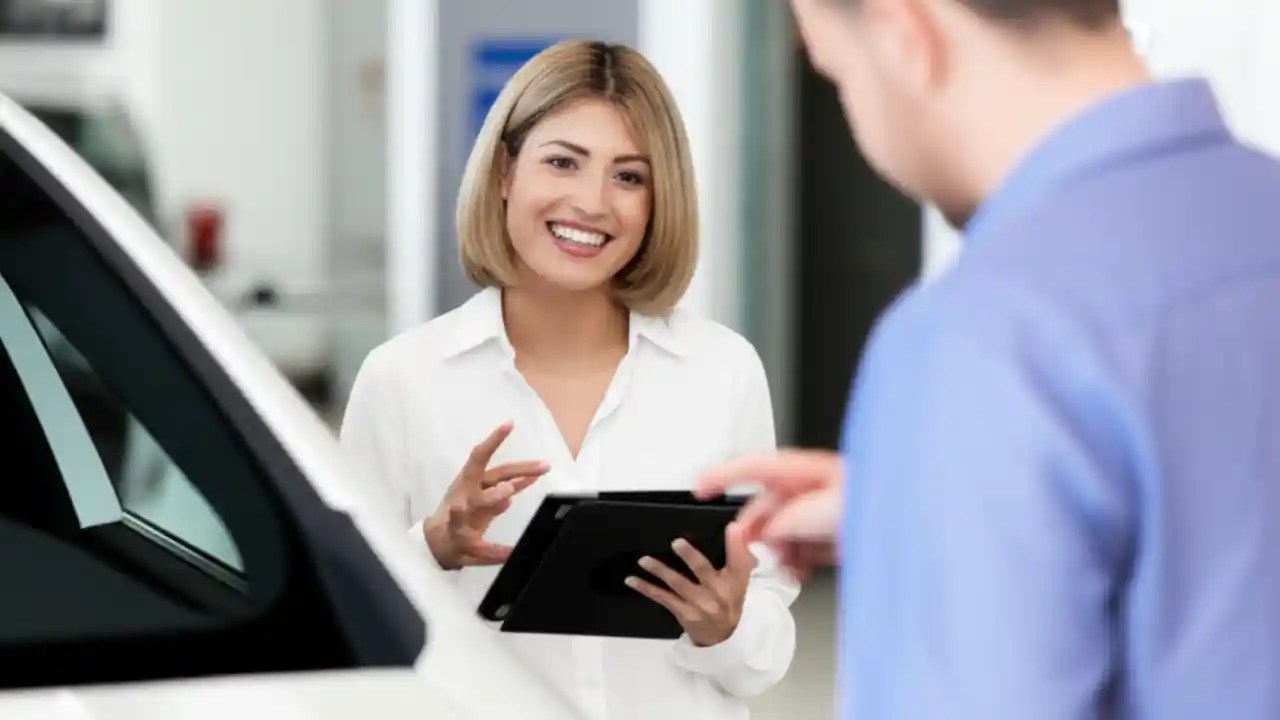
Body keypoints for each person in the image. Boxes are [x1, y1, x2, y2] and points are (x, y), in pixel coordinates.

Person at [698, 0, 1280, 718]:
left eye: (839, 75)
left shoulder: (982, 336)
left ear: (906, 32)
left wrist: (957, 484)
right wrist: (984, 505)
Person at [340, 40, 797, 720]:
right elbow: (346, 628)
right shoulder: (403, 379)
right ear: (504, 173)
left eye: (630, 177)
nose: (593, 202)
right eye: (562, 162)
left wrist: (723, 626)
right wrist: (431, 549)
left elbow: (765, 644)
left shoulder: (722, 371)